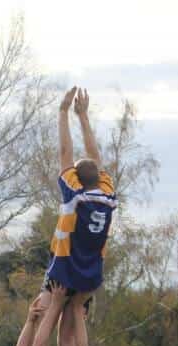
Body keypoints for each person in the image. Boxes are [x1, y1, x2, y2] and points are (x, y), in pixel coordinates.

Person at [42, 87, 117, 301]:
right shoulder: (108, 197)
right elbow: (95, 156)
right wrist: (83, 116)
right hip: (90, 271)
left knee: (41, 314)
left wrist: (63, 111)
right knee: (74, 323)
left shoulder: (76, 196)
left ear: (78, 178)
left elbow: (65, 153)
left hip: (65, 266)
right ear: (97, 177)